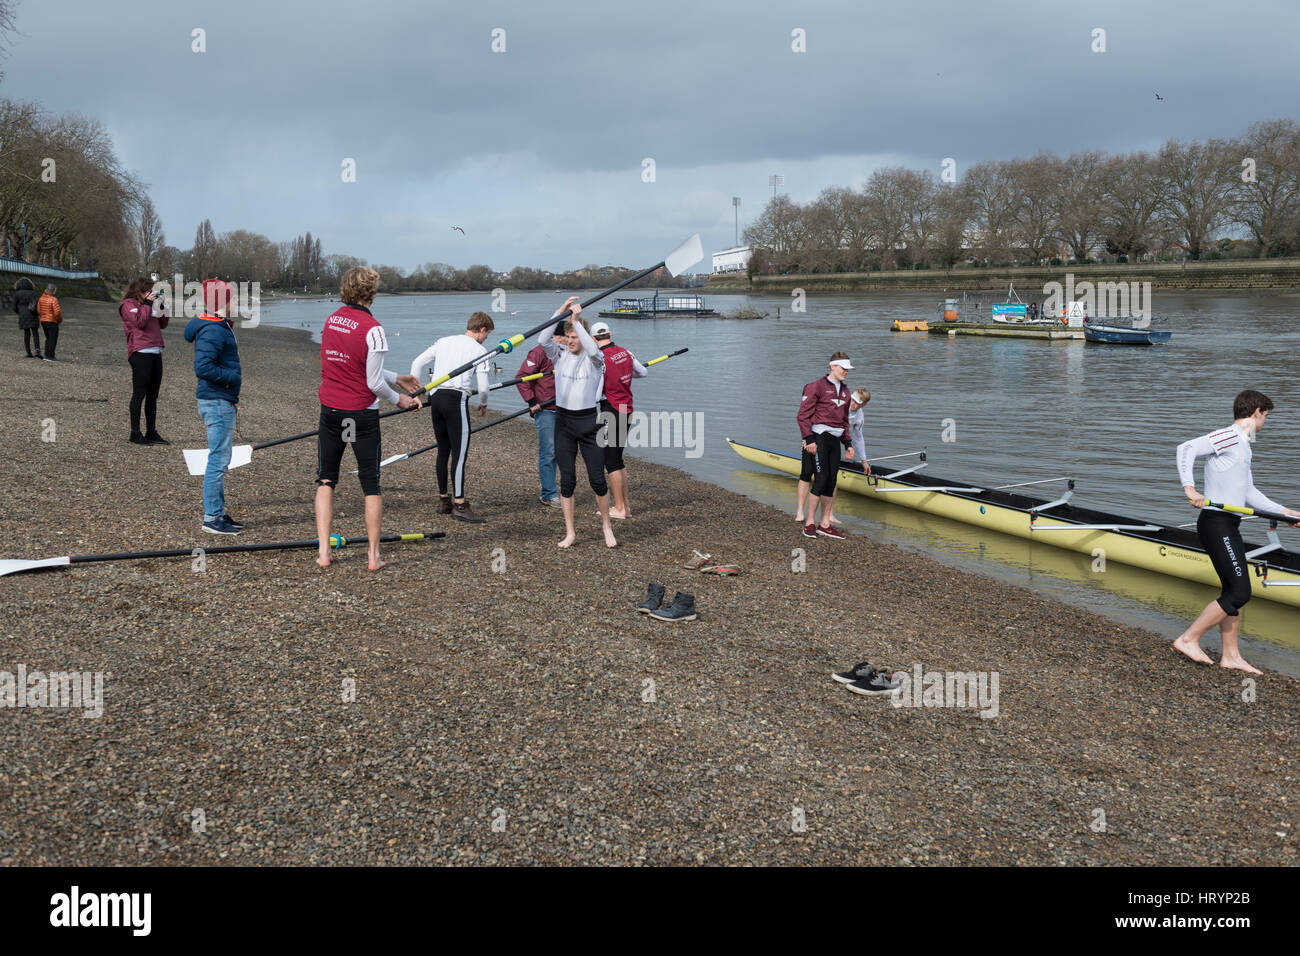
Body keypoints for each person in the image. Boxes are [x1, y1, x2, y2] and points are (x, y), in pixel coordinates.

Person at [1173, 389, 1299, 674]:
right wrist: (1190, 488)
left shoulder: (1243, 445)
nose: (1264, 423)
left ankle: (1230, 655)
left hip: (1229, 524)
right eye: (1265, 417)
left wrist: (1285, 512)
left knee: (1232, 590)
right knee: (1241, 592)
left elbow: (1249, 493)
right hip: (1216, 523)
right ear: (1256, 413)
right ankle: (1188, 638)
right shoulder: (1230, 436)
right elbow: (1187, 448)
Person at [315, 267, 422, 568]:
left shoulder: (332, 319)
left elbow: (358, 367)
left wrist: (397, 377)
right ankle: (373, 556)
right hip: (361, 415)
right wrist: (399, 399)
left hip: (332, 412)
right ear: (371, 292)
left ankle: (324, 553)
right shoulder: (373, 328)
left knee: (326, 480)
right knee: (370, 483)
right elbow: (373, 383)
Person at [538, 297, 617, 549]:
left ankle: (606, 526)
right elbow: (542, 340)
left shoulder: (594, 360)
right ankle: (570, 532)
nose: (571, 341)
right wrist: (560, 312)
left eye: (575, 337)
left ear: (583, 337)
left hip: (588, 423)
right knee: (568, 480)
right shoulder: (558, 355)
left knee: (597, 480)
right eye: (568, 336)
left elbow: (593, 349)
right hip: (564, 423)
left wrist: (577, 323)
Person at [409, 311, 494, 522]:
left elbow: (416, 364)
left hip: (435, 398)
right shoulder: (481, 350)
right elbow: (483, 387)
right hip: (456, 400)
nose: (486, 338)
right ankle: (459, 505)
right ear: (482, 330)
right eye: (487, 334)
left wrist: (418, 393)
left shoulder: (444, 341)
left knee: (443, 450)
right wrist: (483, 403)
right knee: (459, 453)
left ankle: (443, 500)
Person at [184, 280, 245, 535]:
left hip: (221, 400)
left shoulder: (220, 326)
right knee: (218, 459)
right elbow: (203, 368)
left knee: (221, 457)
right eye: (234, 299)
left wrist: (231, 397)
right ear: (223, 302)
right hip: (215, 401)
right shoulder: (213, 330)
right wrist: (233, 378)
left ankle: (218, 511)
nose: (237, 303)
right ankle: (211, 517)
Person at [796, 352, 855, 540]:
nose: (846, 371)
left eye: (847, 369)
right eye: (843, 368)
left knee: (831, 482)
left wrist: (848, 443)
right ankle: (809, 524)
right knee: (820, 480)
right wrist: (809, 439)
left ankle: (825, 524)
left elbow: (845, 421)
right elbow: (802, 416)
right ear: (832, 366)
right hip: (818, 438)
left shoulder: (846, 392)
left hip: (835, 442)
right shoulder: (816, 386)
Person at [592, 320, 646, 519]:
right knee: (618, 459)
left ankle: (619, 509)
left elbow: (597, 395)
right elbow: (643, 372)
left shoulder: (600, 358)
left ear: (592, 338)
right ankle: (626, 507)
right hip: (627, 407)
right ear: (610, 334)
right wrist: (625, 377)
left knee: (611, 461)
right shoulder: (626, 352)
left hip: (610, 409)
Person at [119, 276, 169, 444]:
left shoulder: (150, 303)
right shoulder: (128, 305)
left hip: (155, 350)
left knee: (153, 396)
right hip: (140, 351)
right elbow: (139, 322)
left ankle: (151, 431)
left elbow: (163, 324)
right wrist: (148, 304)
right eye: (149, 290)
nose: (151, 293)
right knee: (139, 394)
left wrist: (163, 306)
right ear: (139, 290)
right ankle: (135, 433)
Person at [515, 338, 559, 506]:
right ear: (556, 337)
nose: (568, 341)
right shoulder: (539, 351)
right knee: (549, 452)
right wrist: (532, 402)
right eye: (565, 337)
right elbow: (522, 378)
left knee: (563, 452)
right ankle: (549, 494)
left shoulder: (568, 351)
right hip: (545, 409)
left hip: (565, 407)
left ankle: (564, 491)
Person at [821, 388, 872, 527]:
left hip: (836, 441)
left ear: (863, 405)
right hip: (821, 437)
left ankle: (830, 514)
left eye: (857, 402)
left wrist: (864, 460)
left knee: (833, 478)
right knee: (821, 477)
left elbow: (858, 438)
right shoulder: (840, 402)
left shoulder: (859, 417)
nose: (853, 403)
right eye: (853, 399)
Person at [13, 277, 40, 358]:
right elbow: (38, 305)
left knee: (26, 333)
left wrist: (20, 312)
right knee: (35, 333)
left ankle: (28, 352)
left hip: (23, 315)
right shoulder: (33, 293)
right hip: (33, 314)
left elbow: (14, 307)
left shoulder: (17, 294)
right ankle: (37, 350)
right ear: (30, 284)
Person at [37, 284, 62, 361]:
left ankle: (46, 355)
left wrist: (44, 316)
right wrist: (59, 320)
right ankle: (50, 356)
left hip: (43, 321)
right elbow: (57, 312)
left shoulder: (41, 298)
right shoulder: (54, 299)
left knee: (48, 338)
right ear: (53, 291)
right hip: (52, 321)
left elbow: (38, 310)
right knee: (53, 339)